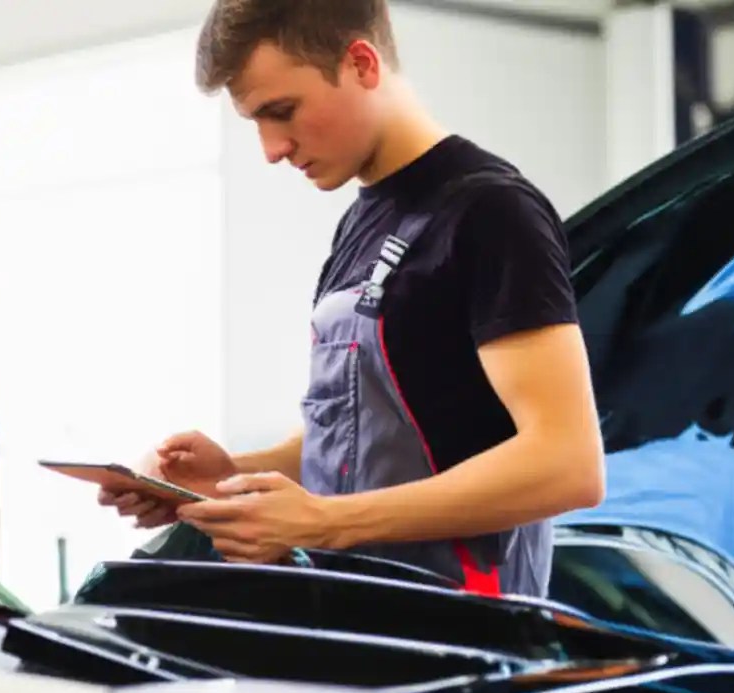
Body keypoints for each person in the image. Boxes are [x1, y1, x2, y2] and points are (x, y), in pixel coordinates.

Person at [99, 0, 605, 599]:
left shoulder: (492, 214)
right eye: (255, 122)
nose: (271, 148)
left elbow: (567, 465)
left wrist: (325, 522)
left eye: (281, 112)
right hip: (359, 627)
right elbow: (367, 440)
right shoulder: (360, 225)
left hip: (468, 650)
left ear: (361, 63)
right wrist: (231, 476)